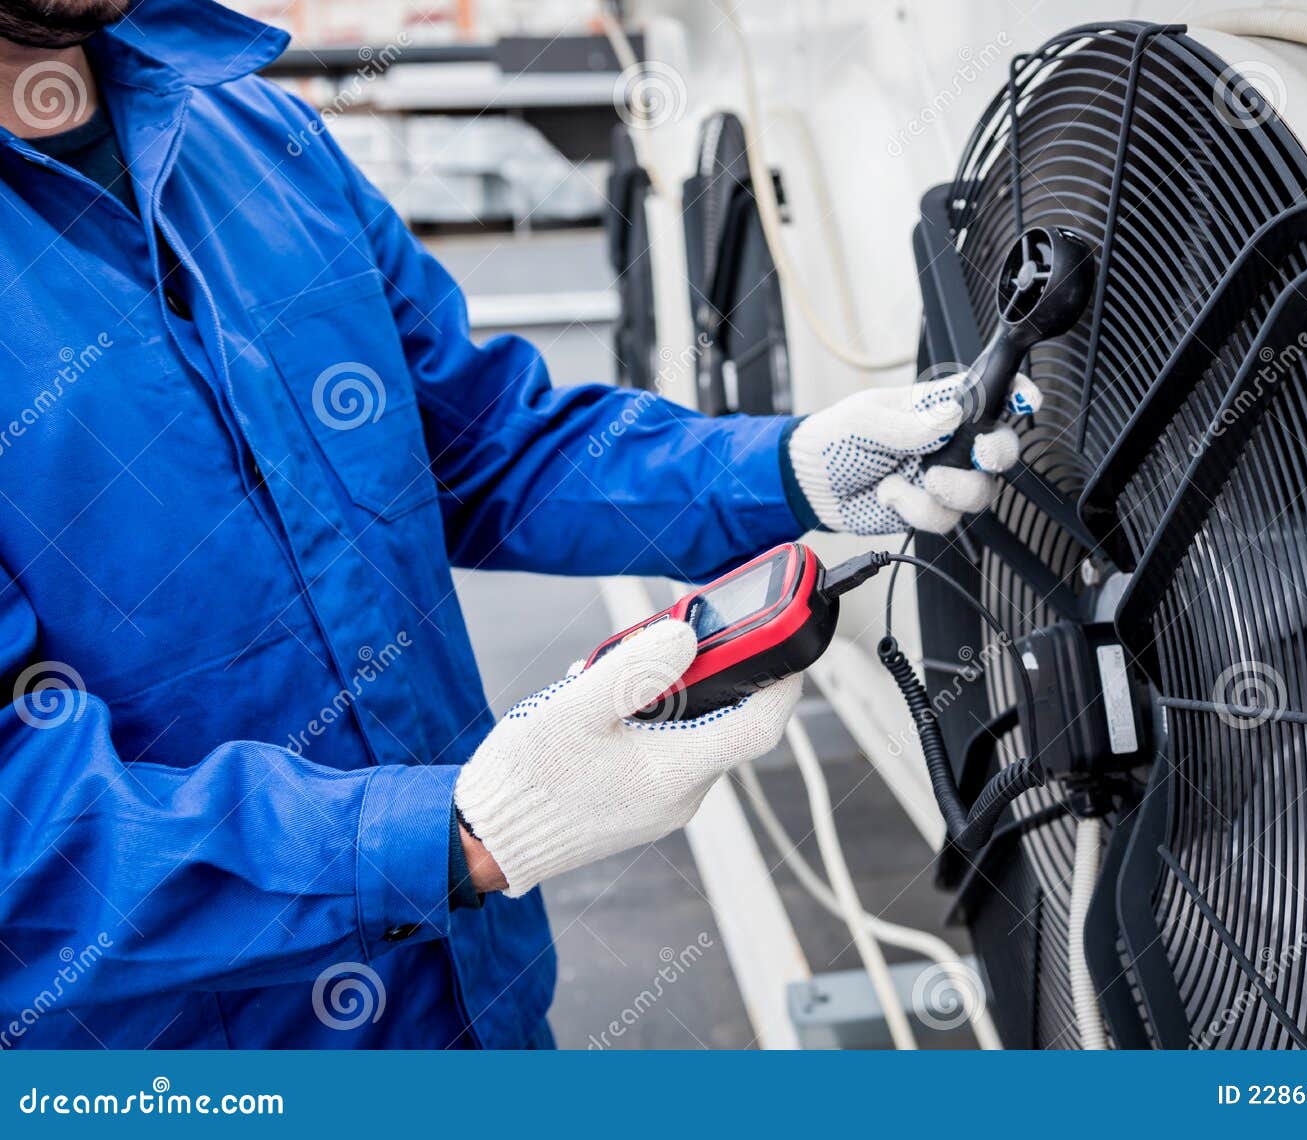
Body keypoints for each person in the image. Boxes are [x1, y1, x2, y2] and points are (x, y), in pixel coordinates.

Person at [0, 0, 1039, 1048]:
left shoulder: (254, 134)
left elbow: (482, 442)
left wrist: (786, 470)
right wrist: (454, 839)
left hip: (474, 997)